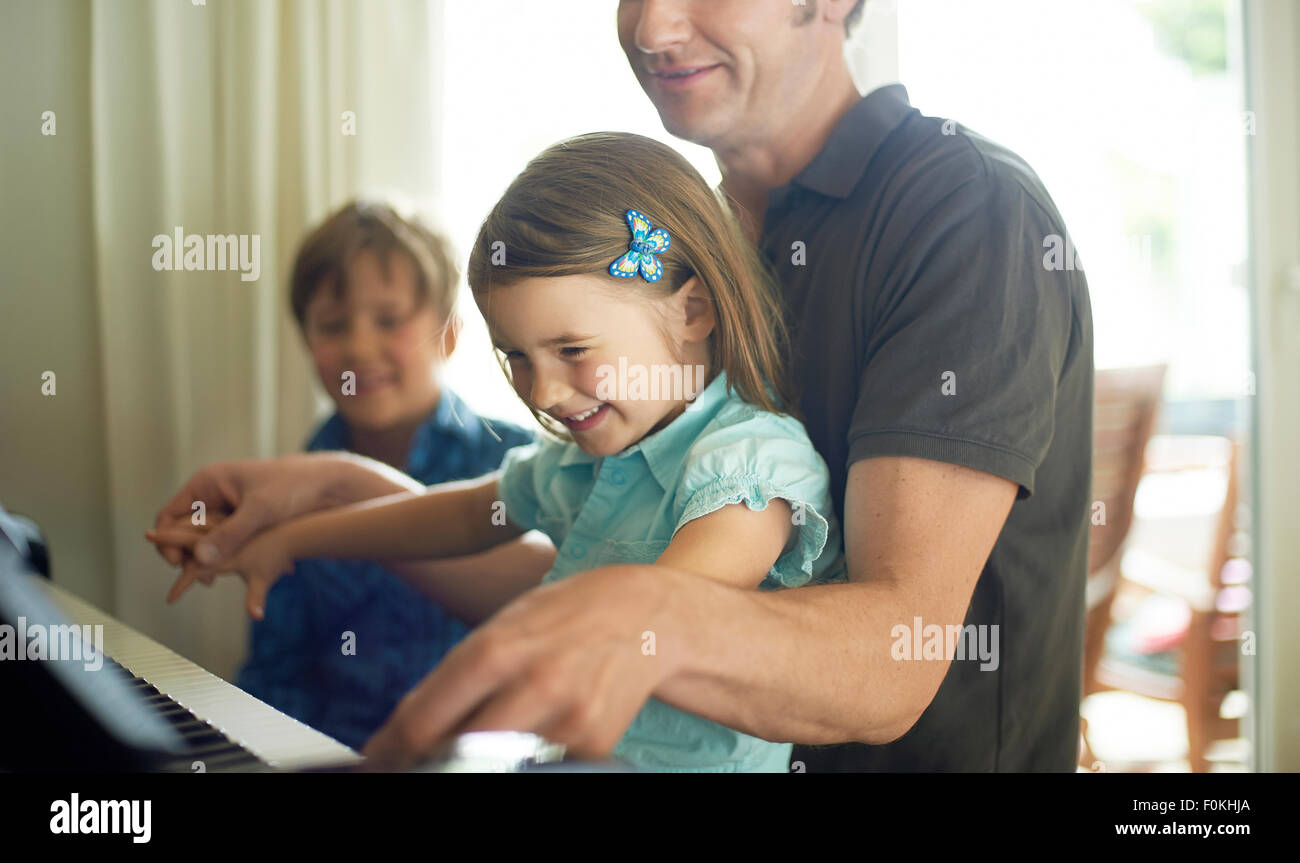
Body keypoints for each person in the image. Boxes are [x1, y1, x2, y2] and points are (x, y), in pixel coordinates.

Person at [152, 0, 1093, 772]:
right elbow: (592, 570)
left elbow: (893, 659)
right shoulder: (679, 248)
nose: (650, 27)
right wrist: (329, 497)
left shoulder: (963, 211)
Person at [152, 133, 845, 772]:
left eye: (572, 350)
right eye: (516, 355)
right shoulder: (582, 459)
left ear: (692, 314)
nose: (541, 389)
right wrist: (293, 538)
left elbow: (657, 607)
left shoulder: (748, 462)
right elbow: (451, 519)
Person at [152, 201, 537, 750]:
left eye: (388, 319)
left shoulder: (518, 462)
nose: (359, 348)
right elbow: (280, 670)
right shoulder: (291, 482)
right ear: (309, 344)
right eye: (333, 326)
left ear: (448, 334)